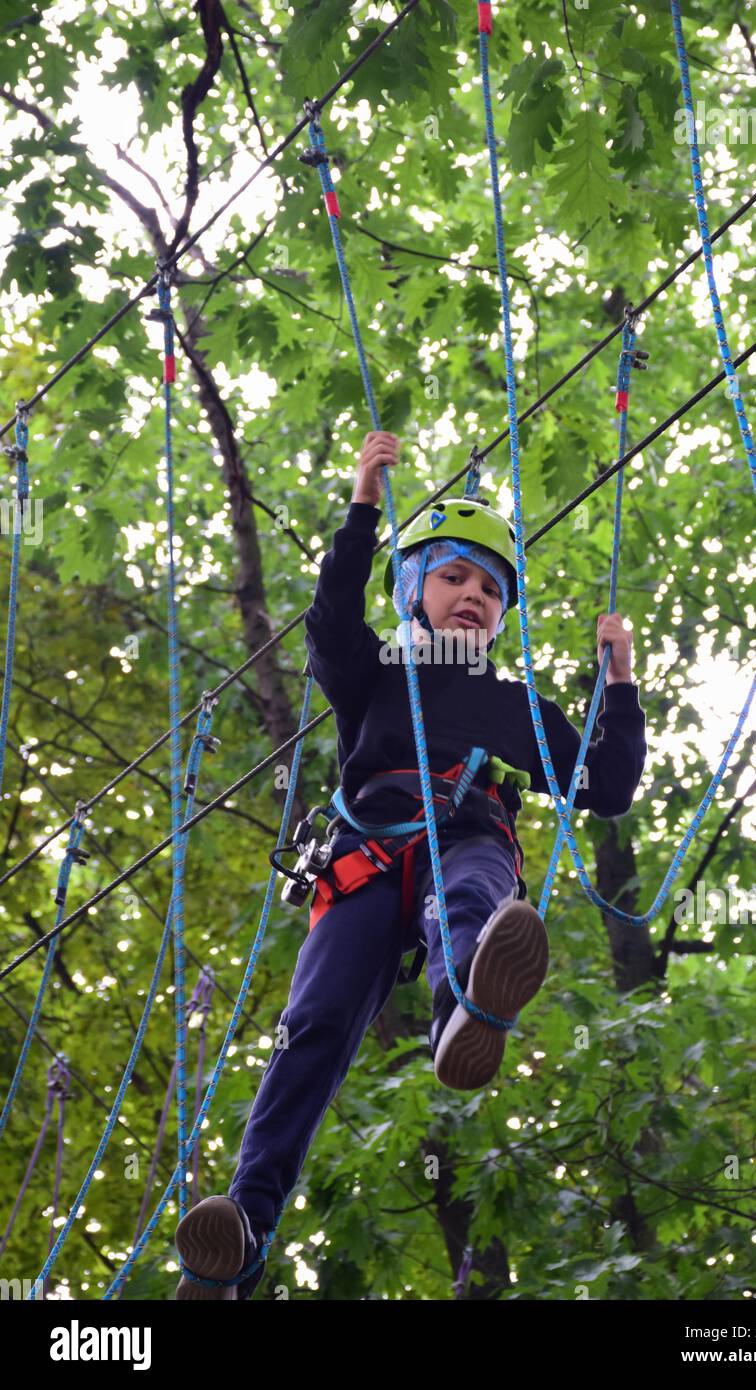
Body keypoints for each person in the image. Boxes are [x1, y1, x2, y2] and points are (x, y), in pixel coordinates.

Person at [174, 431, 648, 1299]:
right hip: (361, 859)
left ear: (503, 616)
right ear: (414, 589)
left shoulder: (513, 707)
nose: (474, 595)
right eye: (454, 576)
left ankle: (465, 998)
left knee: (468, 894)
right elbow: (327, 622)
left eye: (492, 589)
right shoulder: (376, 675)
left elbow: (608, 783)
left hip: (462, 837)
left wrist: (618, 680)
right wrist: (362, 505)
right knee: (309, 1028)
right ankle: (241, 1233)